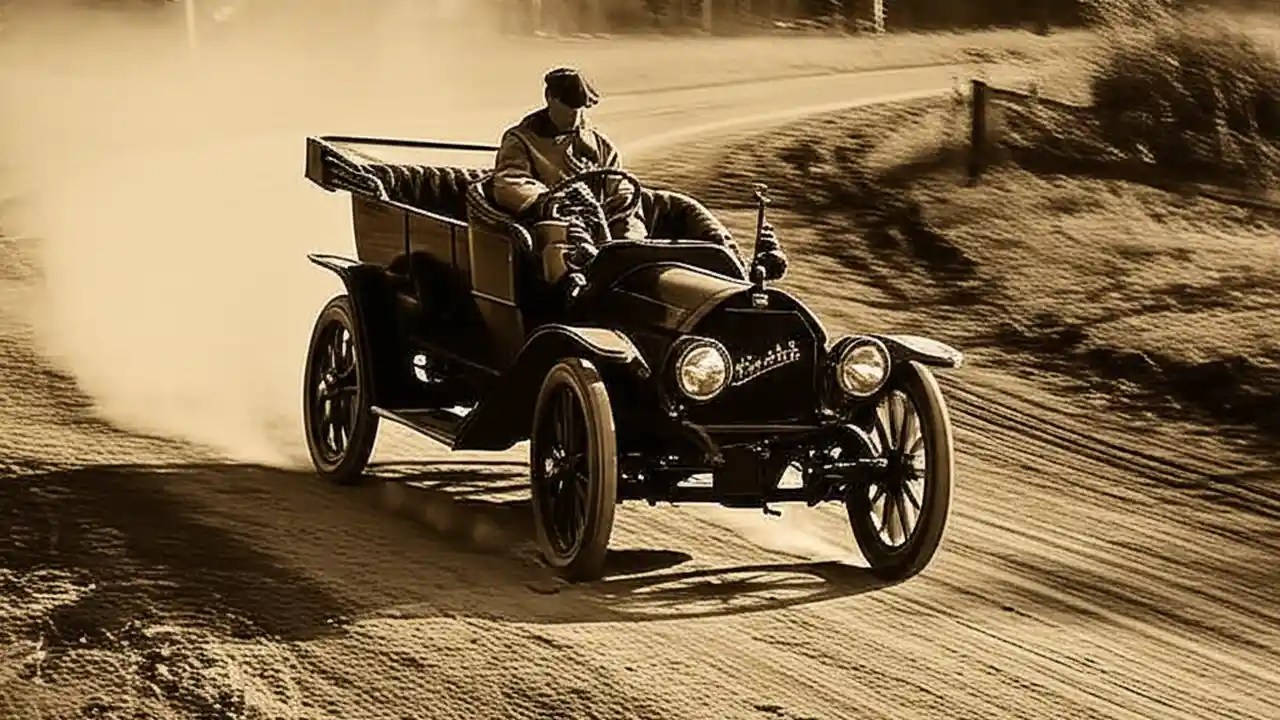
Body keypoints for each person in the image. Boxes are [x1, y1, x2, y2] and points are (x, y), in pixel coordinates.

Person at [491, 67, 648, 241]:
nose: (574, 115)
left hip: (599, 223)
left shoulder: (601, 145)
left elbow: (617, 183)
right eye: (566, 105)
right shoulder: (521, 140)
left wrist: (624, 212)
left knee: (630, 199)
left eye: (579, 107)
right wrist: (549, 202)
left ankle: (630, 247)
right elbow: (509, 181)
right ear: (549, 98)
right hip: (549, 225)